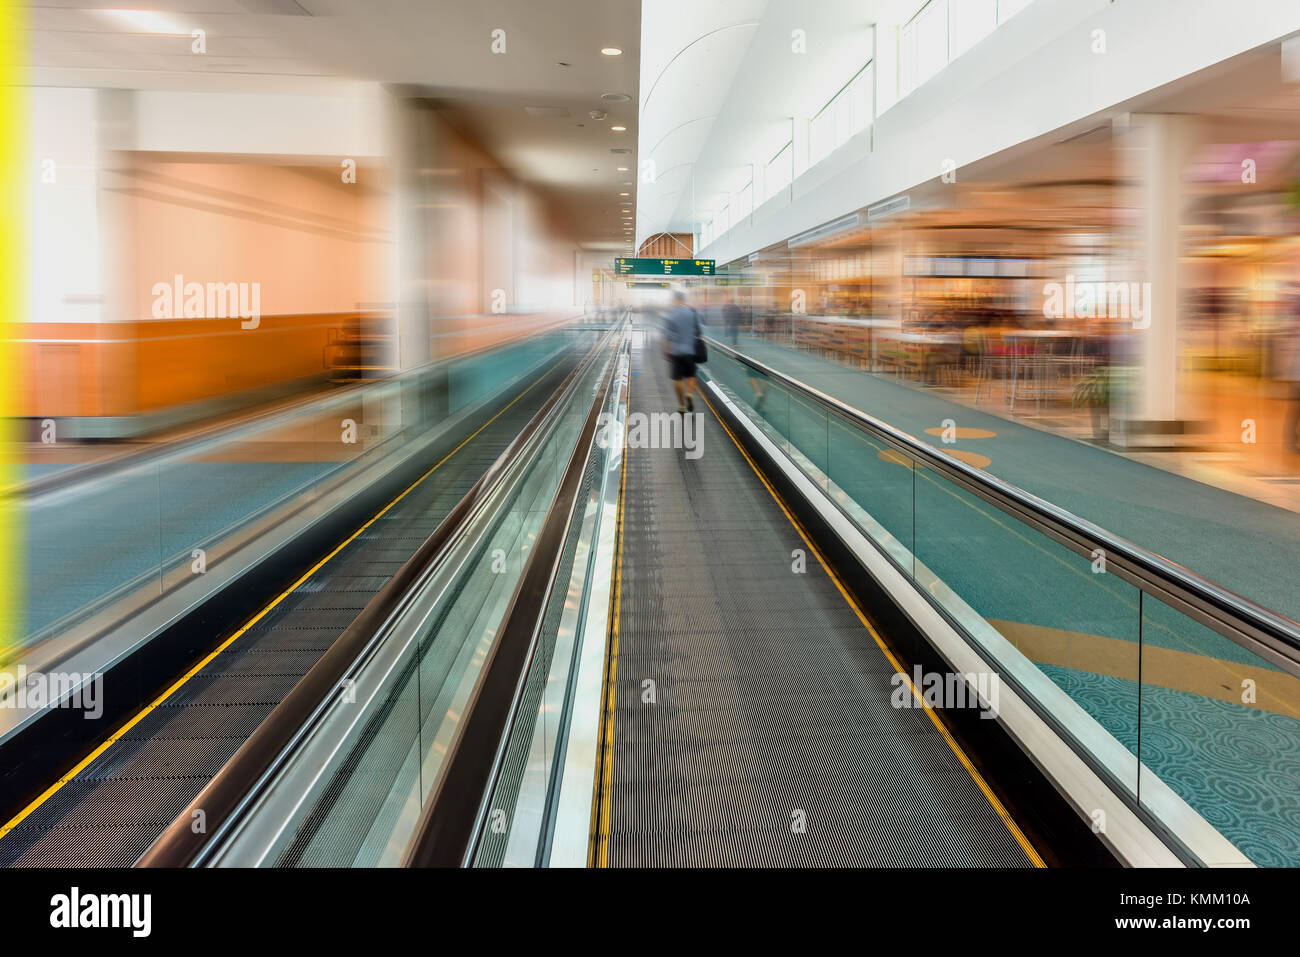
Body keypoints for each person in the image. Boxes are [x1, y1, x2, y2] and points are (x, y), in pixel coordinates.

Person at [662, 289, 702, 412]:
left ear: (675, 300)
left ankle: (681, 405)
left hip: (676, 351)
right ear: (683, 300)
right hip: (690, 350)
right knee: (691, 376)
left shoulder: (671, 315)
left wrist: (665, 351)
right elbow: (699, 332)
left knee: (678, 378)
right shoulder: (692, 313)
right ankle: (689, 393)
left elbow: (666, 337)